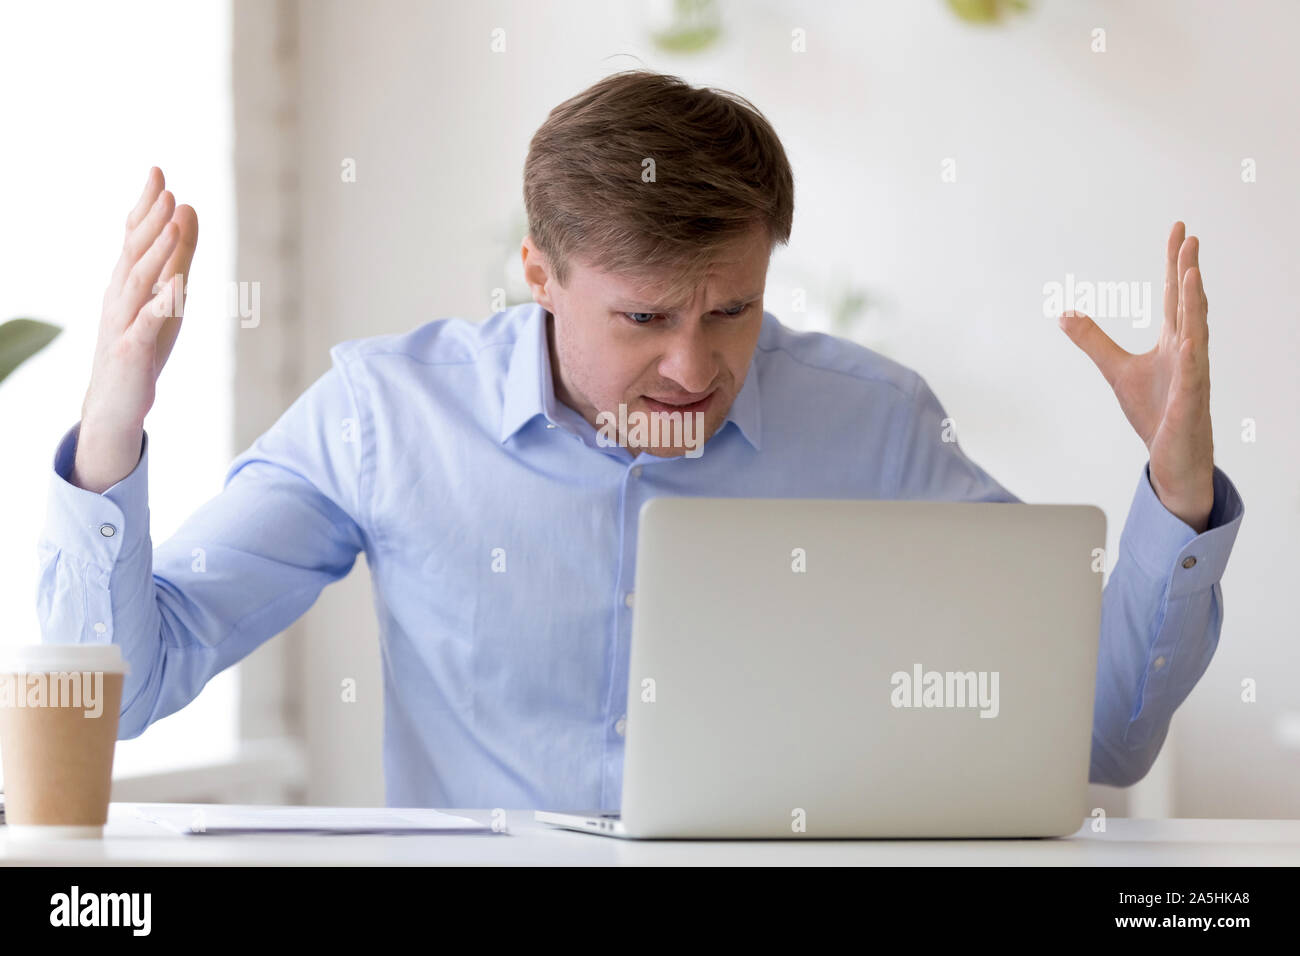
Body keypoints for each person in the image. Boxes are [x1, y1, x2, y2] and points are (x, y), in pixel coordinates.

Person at [38, 70, 1244, 811]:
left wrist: (1176, 495)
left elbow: (1096, 735)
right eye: (642, 317)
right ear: (537, 275)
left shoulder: (871, 423)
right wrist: (115, 416)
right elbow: (129, 689)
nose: (694, 364)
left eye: (732, 310)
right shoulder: (384, 418)